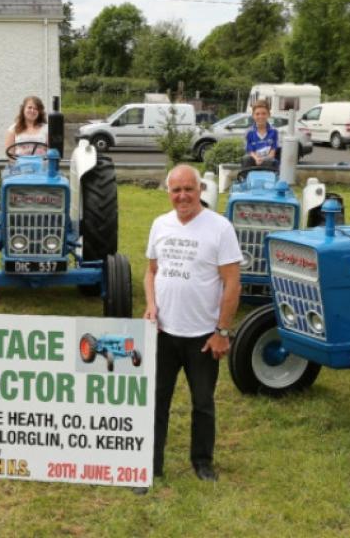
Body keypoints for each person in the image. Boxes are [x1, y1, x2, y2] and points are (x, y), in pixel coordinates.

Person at [143, 164, 242, 488]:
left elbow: (232, 284)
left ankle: (202, 462)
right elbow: (151, 272)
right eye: (176, 190)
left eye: (189, 189)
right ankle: (151, 465)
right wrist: (150, 305)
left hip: (202, 336)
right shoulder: (160, 225)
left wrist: (222, 331)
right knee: (156, 402)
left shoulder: (220, 228)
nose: (182, 196)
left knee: (203, 402)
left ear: (200, 190)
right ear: (169, 192)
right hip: (164, 332)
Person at [241, 99, 279, 168]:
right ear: (253, 115)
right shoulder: (249, 132)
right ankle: (245, 177)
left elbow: (273, 151)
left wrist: (264, 159)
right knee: (246, 159)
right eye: (257, 114)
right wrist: (256, 158)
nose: (260, 116)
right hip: (254, 160)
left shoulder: (274, 131)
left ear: (269, 115)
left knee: (270, 161)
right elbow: (250, 151)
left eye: (264, 113)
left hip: (268, 162)